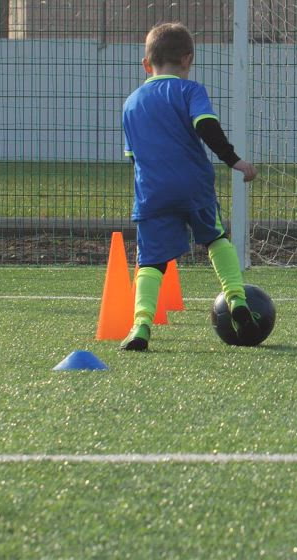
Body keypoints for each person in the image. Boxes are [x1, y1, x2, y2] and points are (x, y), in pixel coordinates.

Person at [119, 22, 260, 351]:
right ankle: (237, 299)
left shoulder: (131, 103)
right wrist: (234, 160)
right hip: (193, 185)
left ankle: (141, 325)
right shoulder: (190, 91)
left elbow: (133, 156)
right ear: (187, 60)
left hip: (152, 191)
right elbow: (206, 126)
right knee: (215, 238)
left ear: (146, 64)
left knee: (150, 261)